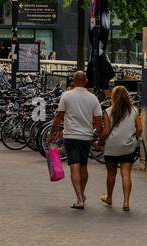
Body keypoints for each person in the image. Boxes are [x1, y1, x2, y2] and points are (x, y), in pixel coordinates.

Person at [48, 70, 103, 209]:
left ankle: (79, 198)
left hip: (71, 136)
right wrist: (100, 139)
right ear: (86, 81)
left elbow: (59, 117)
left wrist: (51, 134)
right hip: (86, 137)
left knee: (74, 166)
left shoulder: (66, 96)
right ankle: (82, 194)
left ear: (73, 81)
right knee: (83, 166)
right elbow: (98, 120)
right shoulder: (93, 98)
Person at [98, 85, 142, 211]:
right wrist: (134, 137)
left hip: (111, 147)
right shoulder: (133, 110)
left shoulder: (108, 111)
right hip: (127, 147)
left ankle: (109, 197)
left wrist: (99, 143)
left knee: (111, 173)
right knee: (126, 174)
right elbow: (140, 128)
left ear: (113, 96)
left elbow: (106, 132)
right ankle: (126, 202)